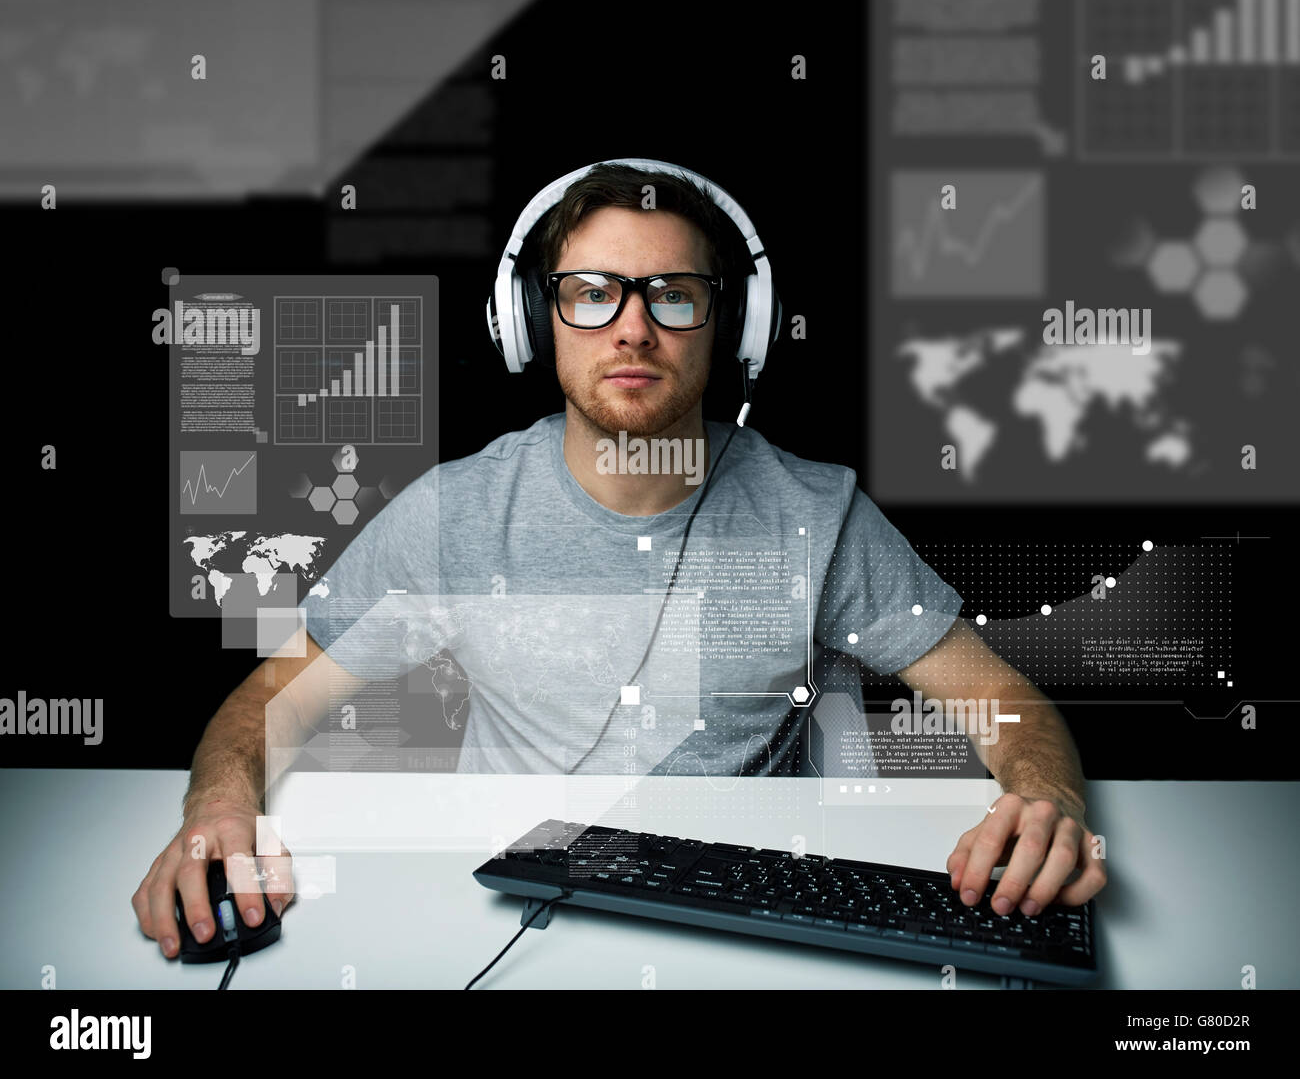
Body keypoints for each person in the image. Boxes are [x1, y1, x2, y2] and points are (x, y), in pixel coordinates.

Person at [133, 161, 1107, 960]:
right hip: (497, 921)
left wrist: (1045, 796)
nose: (632, 327)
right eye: (592, 294)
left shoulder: (815, 512)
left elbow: (999, 697)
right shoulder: (452, 513)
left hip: (739, 929)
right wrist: (215, 809)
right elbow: (276, 695)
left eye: (672, 296)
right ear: (532, 323)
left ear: (732, 329)